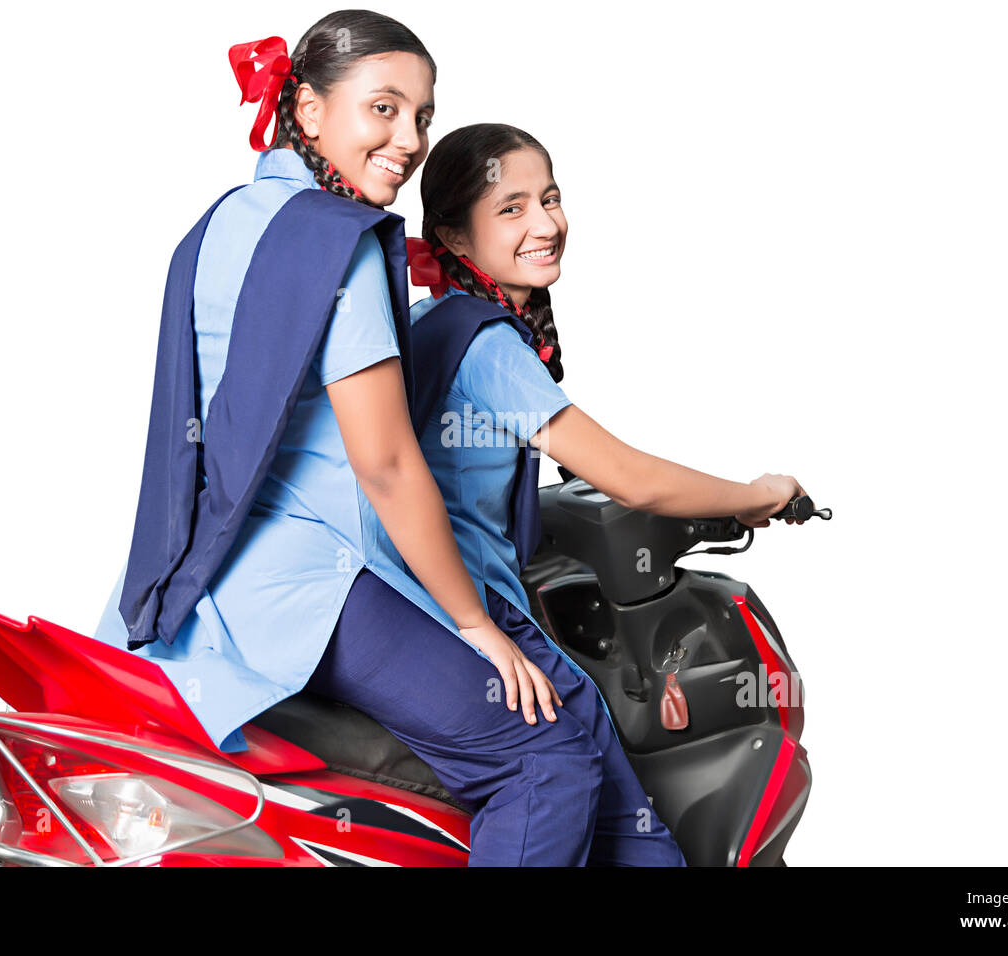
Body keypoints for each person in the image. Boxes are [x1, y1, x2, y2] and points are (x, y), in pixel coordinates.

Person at [91, 12, 616, 867]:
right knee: (545, 754)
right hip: (311, 586)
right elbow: (386, 461)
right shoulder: (345, 242)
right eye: (383, 109)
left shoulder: (218, 225)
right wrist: (474, 624)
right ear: (306, 108)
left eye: (422, 116)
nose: (407, 140)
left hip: (185, 580)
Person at [371, 122, 810, 865]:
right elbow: (628, 476)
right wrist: (750, 495)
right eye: (511, 208)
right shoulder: (489, 346)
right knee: (626, 829)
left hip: (402, 604)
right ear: (453, 234)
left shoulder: (428, 326)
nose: (546, 224)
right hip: (475, 608)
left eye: (550, 199)